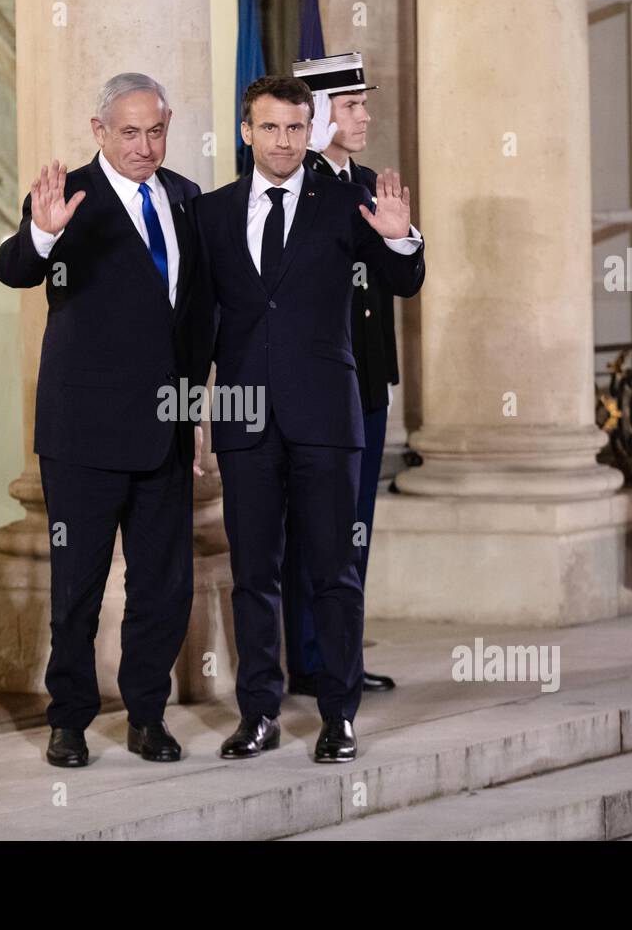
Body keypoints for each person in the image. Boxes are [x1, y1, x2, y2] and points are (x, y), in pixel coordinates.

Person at [193, 76, 423, 763]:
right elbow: (196, 322)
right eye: (270, 128)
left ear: (309, 132)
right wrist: (191, 409)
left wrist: (402, 238)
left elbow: (404, 280)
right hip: (245, 419)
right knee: (255, 573)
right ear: (247, 132)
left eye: (295, 129)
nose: (284, 141)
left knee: (334, 570)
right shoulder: (211, 214)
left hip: (325, 415)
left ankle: (339, 715)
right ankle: (258, 712)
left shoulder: (347, 204)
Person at [0, 73, 212, 768]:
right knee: (78, 586)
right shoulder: (67, 201)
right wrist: (41, 231)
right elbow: (14, 268)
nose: (144, 146)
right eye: (129, 132)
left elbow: (196, 315)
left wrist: (199, 404)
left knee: (163, 584)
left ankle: (147, 715)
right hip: (83, 434)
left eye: (156, 131)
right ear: (98, 131)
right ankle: (69, 720)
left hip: (165, 431)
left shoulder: (185, 199)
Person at [283, 52, 399, 698]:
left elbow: (396, 281)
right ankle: (308, 658)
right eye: (352, 106)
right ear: (322, 113)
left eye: (361, 104)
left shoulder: (372, 183)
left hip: (367, 382)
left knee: (355, 525)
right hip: (313, 386)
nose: (365, 115)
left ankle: (342, 657)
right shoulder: (296, 188)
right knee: (309, 529)